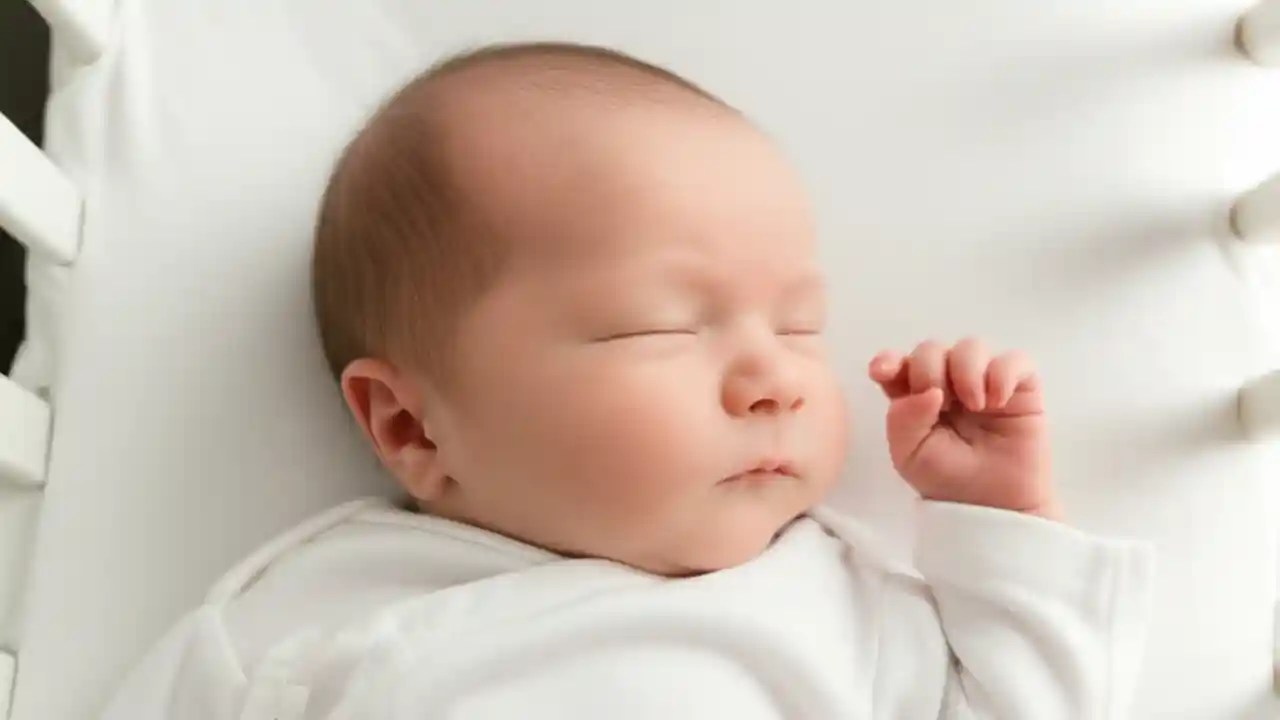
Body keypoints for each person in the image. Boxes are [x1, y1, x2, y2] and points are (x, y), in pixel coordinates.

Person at [103, 41, 1152, 719]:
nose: (772, 379)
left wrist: (997, 519)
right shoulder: (310, 610)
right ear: (412, 425)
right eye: (657, 327)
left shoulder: (838, 602)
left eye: (798, 327)